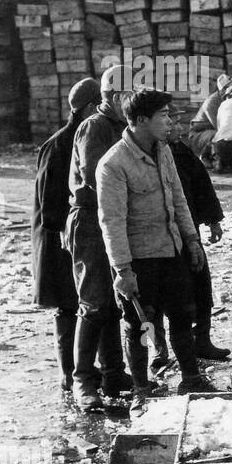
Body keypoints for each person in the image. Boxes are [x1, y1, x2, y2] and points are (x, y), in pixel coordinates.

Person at [96, 87, 218, 403]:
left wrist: (192, 241)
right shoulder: (113, 165)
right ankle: (141, 389)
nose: (170, 122)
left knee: (181, 316)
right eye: (163, 115)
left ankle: (191, 379)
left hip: (171, 252)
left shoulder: (163, 150)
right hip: (139, 260)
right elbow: (112, 222)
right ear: (140, 120)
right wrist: (122, 270)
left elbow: (178, 198)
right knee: (139, 325)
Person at [65, 65, 135, 413]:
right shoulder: (94, 127)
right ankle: (83, 381)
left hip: (113, 220)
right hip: (91, 223)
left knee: (112, 302)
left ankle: (113, 374)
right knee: (94, 305)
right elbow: (97, 179)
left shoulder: (123, 129)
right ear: (116, 98)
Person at [32, 77, 102, 394]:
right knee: (68, 307)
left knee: (88, 304)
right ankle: (69, 373)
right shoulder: (59, 144)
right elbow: (48, 203)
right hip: (58, 240)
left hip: (76, 236)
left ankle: (87, 370)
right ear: (88, 107)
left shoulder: (87, 137)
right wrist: (64, 232)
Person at [166, 110, 229, 361]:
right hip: (162, 236)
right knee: (169, 296)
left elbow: (202, 183)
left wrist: (213, 219)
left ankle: (202, 340)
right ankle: (160, 350)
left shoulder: (181, 151)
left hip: (190, 230)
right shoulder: (150, 153)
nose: (179, 129)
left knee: (201, 286)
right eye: (173, 122)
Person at [188, 73, 232, 161]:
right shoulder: (212, 102)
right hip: (198, 135)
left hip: (213, 129)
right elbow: (219, 126)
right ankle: (206, 158)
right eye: (230, 87)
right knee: (218, 135)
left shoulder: (230, 100)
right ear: (223, 90)